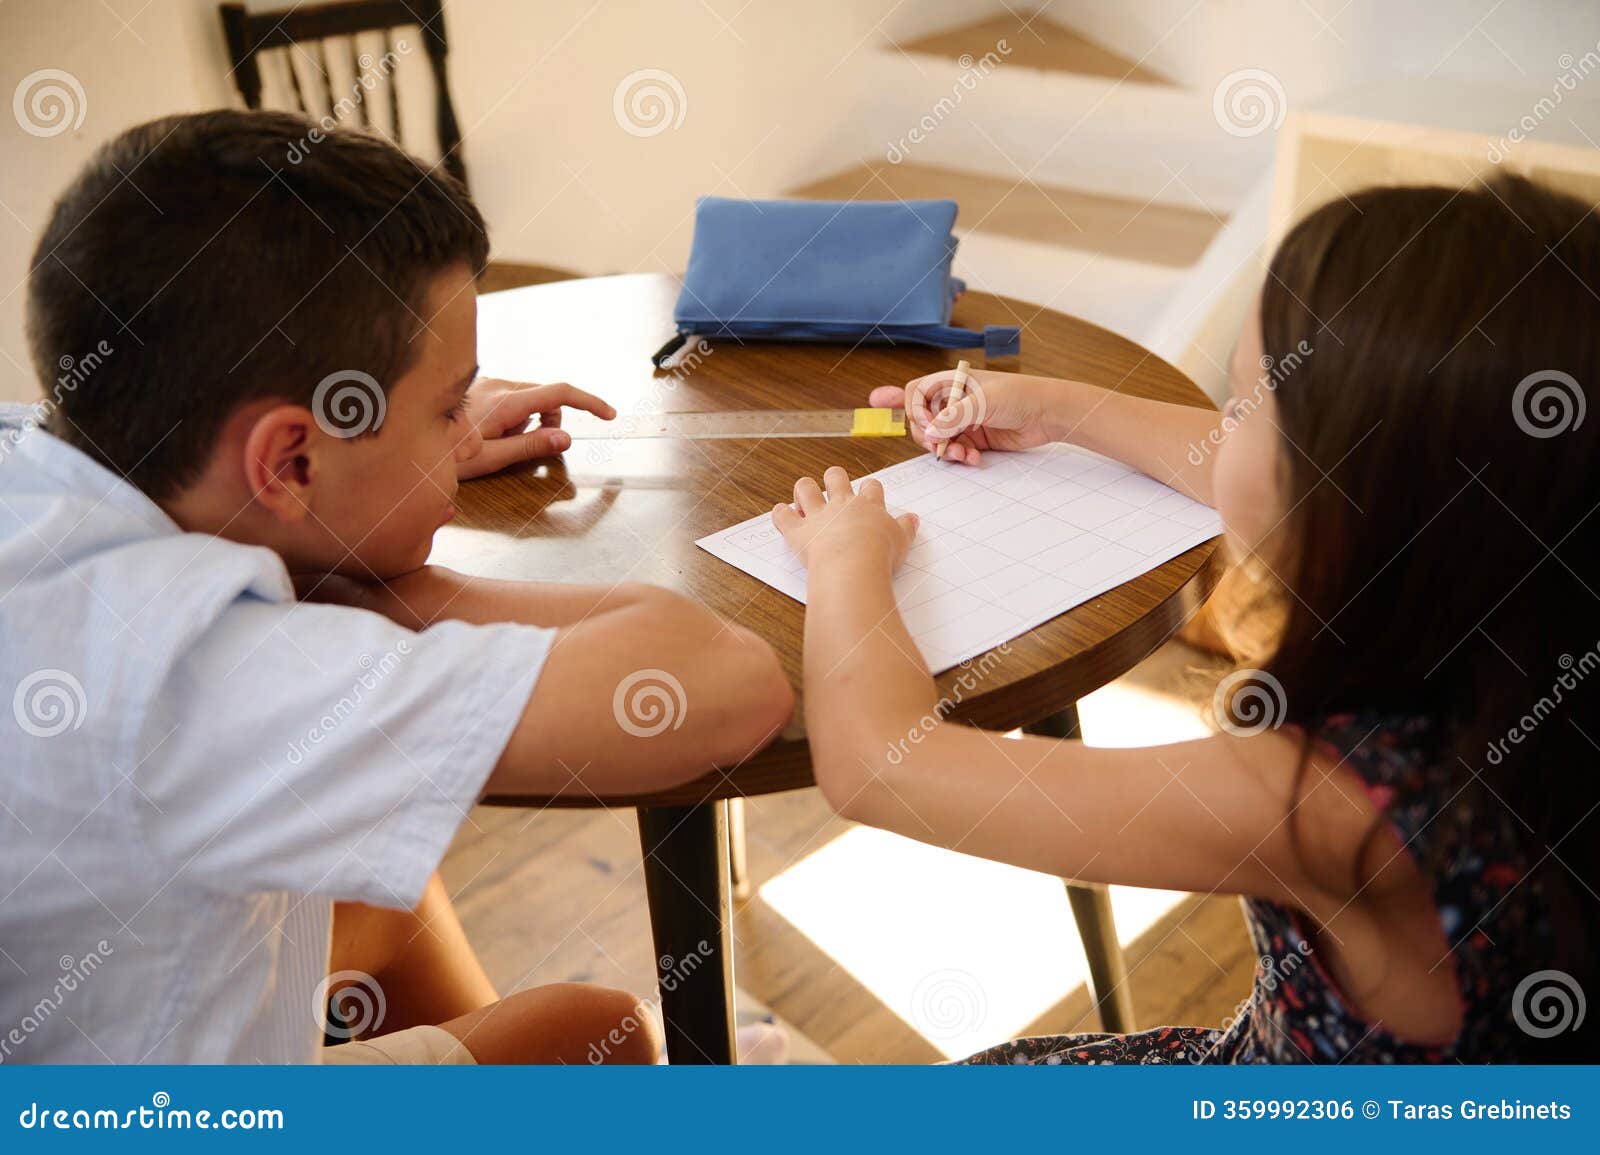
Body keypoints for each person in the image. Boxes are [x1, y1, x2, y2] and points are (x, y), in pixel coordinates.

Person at [0, 110, 792, 1065]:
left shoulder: (40, 455)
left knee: (384, 882)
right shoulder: (203, 675)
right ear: (289, 460)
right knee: (606, 1032)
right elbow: (725, 681)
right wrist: (356, 567)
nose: (461, 432)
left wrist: (380, 462)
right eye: (447, 404)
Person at [773, 176, 1597, 1063]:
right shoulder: (1534, 624)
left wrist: (847, 557)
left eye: (1241, 405)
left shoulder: (1337, 806)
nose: (1218, 424)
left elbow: (876, 767)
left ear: (1355, 502)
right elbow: (1287, 482)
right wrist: (1055, 409)